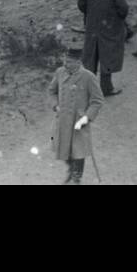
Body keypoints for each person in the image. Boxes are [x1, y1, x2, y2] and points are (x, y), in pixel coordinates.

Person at [49, 48, 104, 184]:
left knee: (78, 151)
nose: (66, 64)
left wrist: (86, 118)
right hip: (62, 120)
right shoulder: (60, 73)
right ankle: (71, 168)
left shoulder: (88, 77)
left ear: (78, 62)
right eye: (65, 61)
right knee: (63, 148)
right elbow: (52, 91)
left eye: (69, 62)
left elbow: (97, 101)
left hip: (78, 121)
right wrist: (55, 105)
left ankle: (76, 176)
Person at [78, 0, 127, 97]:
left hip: (92, 26)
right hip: (110, 28)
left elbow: (81, 5)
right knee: (108, 56)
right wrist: (117, 19)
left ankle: (89, 89)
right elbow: (123, 9)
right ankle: (106, 87)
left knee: (91, 56)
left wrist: (91, 14)